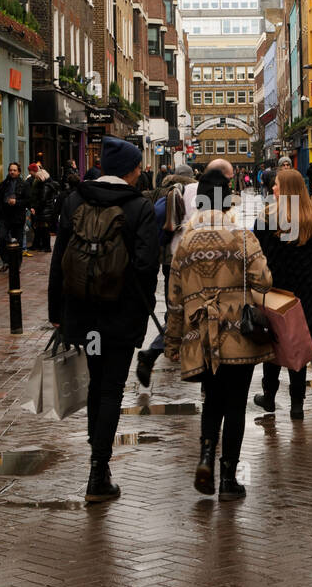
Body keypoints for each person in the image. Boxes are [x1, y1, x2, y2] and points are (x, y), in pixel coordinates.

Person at [48, 137, 159, 502]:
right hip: (121, 314)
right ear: (128, 170)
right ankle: (99, 470)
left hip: (83, 313)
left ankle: (98, 460)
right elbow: (146, 266)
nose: (141, 171)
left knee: (96, 383)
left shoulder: (74, 200)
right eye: (138, 166)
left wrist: (56, 312)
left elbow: (59, 258)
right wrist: (143, 307)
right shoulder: (139, 207)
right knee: (112, 388)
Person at [165, 169, 274, 499]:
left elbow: (174, 298)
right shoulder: (241, 237)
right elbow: (264, 281)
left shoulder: (185, 243)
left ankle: (204, 458)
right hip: (237, 332)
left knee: (212, 400)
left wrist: (172, 342)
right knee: (236, 405)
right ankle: (228, 479)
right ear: (228, 203)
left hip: (201, 334)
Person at [255, 168, 312, 419]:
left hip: (275, 292)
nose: (272, 189)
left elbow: (258, 258)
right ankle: (297, 404)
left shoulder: (266, 220)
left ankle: (270, 397)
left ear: (285, 190)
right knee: (297, 345)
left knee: (273, 346)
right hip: (304, 295)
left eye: (276, 185)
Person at [135, 163, 197, 388]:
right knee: (185, 311)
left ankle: (160, 350)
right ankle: (155, 351)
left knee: (176, 308)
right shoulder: (193, 194)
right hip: (187, 260)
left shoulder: (162, 190)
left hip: (167, 259)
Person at [0, 162, 29, 272]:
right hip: (4, 216)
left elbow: (28, 201)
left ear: (19, 172)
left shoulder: (24, 185)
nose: (12, 172)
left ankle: (16, 265)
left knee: (18, 241)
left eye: (14, 170)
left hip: (17, 217)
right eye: (10, 170)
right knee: (2, 239)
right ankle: (6, 261)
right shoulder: (3, 185)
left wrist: (16, 202)